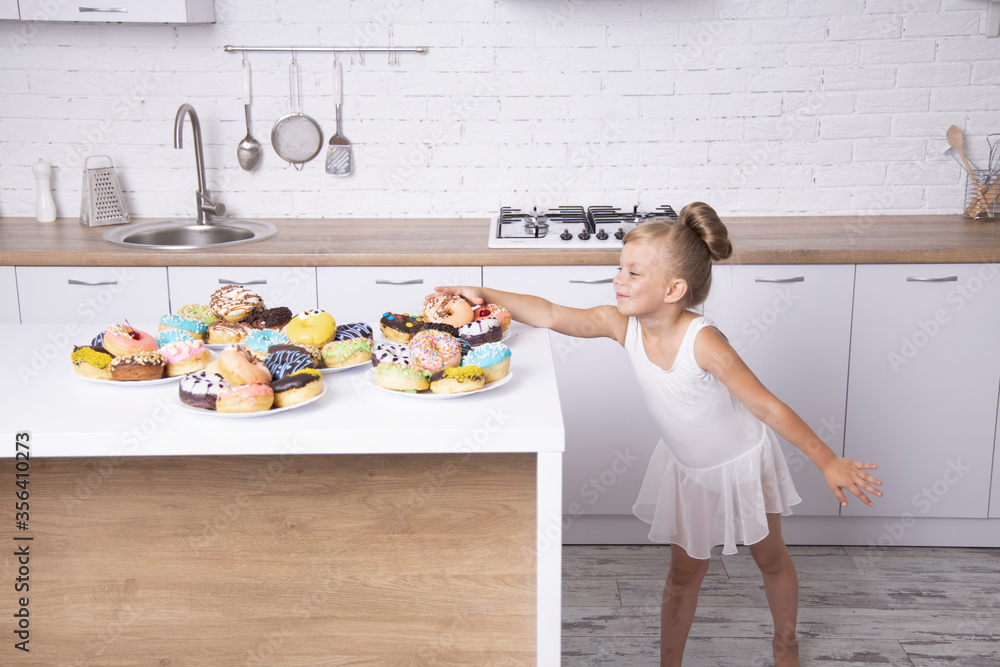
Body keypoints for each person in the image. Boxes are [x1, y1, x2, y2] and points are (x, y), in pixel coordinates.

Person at [431, 201, 883, 666]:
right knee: (684, 576)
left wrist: (827, 459)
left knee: (770, 559)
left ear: (674, 289)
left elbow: (764, 404)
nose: (618, 280)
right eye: (620, 269)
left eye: (633, 274)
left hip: (743, 464)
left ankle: (785, 640)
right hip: (689, 471)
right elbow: (548, 313)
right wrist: (482, 291)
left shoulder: (703, 341)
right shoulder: (620, 324)